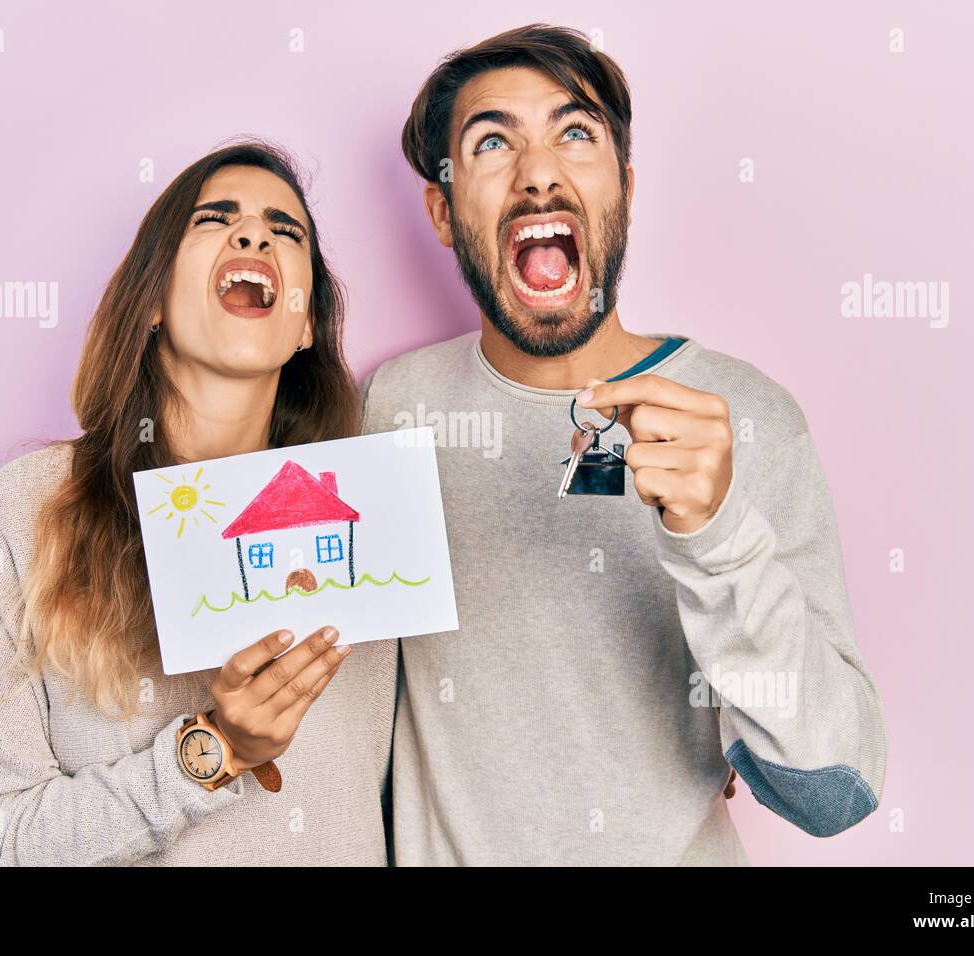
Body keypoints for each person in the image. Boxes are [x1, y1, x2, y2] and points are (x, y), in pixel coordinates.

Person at [361, 24, 887, 865]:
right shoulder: (393, 406)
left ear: (626, 190)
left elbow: (831, 794)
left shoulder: (745, 417)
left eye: (575, 132)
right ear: (442, 211)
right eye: (493, 141)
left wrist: (718, 537)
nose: (538, 171)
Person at [0, 141, 397, 865]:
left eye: (286, 231)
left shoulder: (372, 518)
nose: (254, 235)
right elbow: (2, 847)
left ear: (306, 320)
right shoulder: (23, 514)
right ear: (152, 299)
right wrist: (214, 749)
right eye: (215, 220)